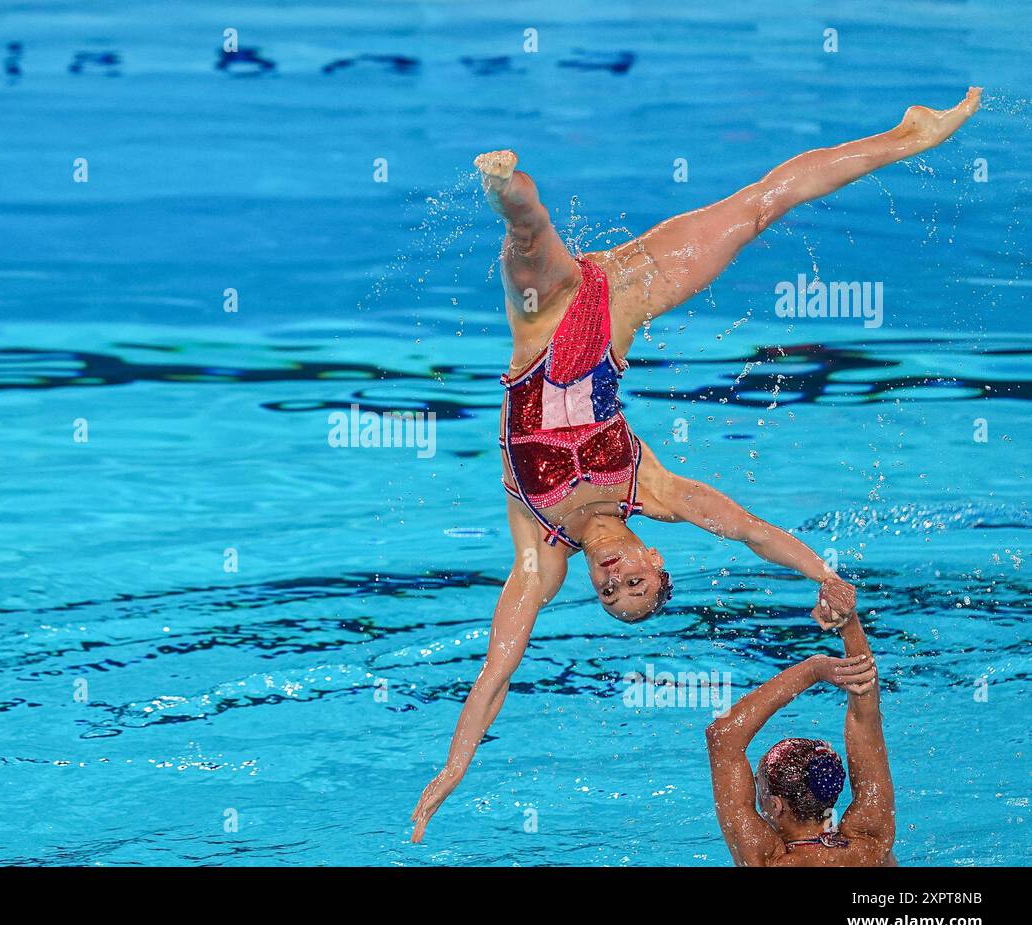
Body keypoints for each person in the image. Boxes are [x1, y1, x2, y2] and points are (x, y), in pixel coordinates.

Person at [409, 89, 979, 844]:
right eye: (635, 583)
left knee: (527, 236)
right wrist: (822, 576)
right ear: (653, 554)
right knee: (757, 207)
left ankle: (504, 183)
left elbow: (495, 674)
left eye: (610, 592)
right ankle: (910, 136)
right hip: (626, 298)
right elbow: (748, 529)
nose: (616, 579)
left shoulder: (539, 550)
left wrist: (453, 767)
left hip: (545, 323)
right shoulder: (653, 489)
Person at [705, 612, 895, 865]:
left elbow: (722, 736)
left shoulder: (769, 861)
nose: (752, 785)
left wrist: (813, 669)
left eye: (757, 784)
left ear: (775, 806)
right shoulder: (872, 842)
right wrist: (848, 621)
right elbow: (865, 717)